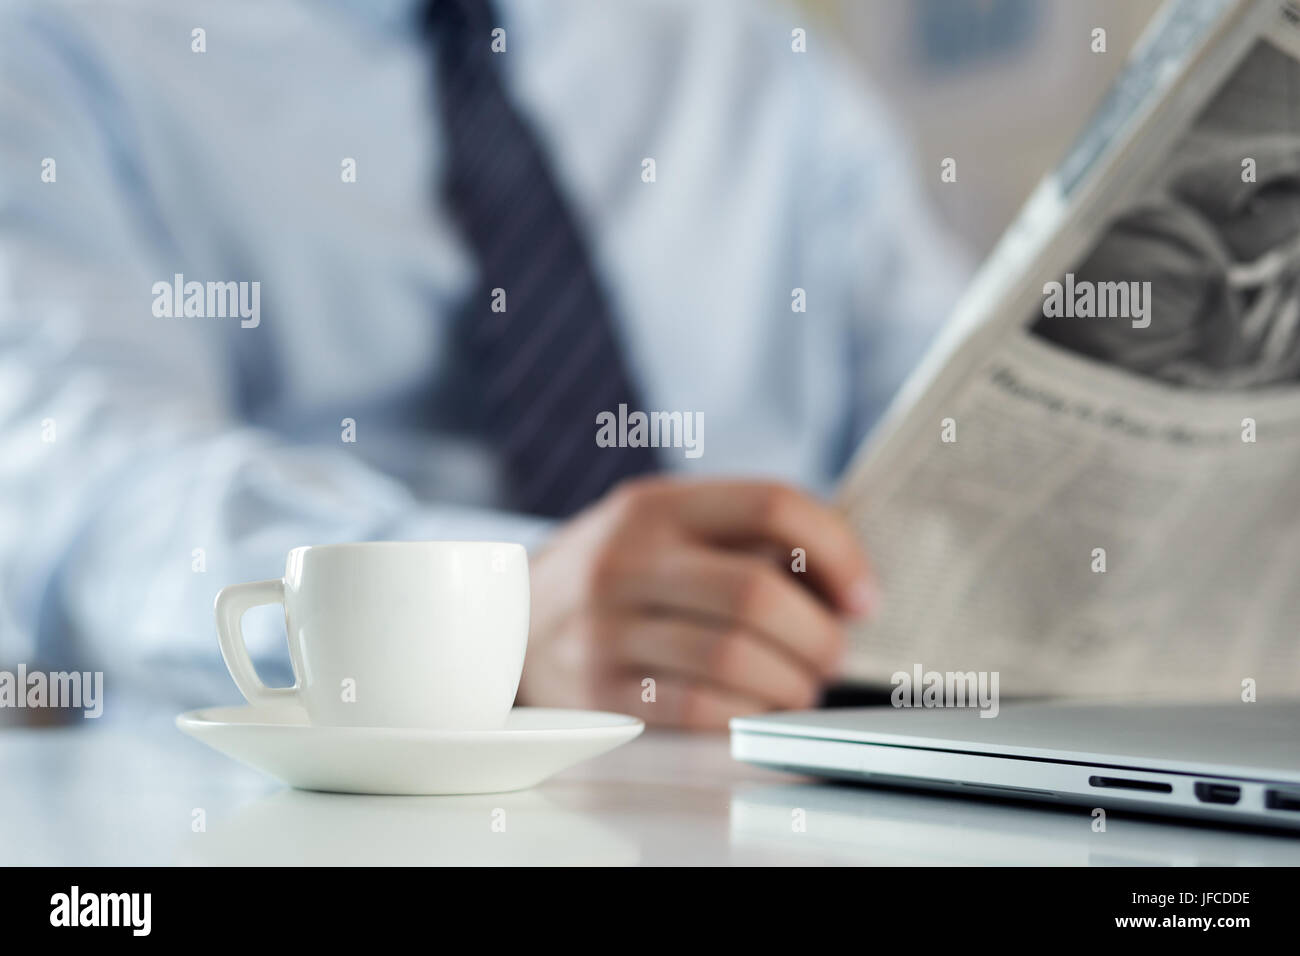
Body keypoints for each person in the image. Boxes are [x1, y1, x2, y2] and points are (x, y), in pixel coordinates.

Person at [0, 0, 967, 728]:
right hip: (363, 802)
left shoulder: (749, 49)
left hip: (814, 762)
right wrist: (491, 620)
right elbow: (85, 493)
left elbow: (950, 417)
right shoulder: (59, 46)